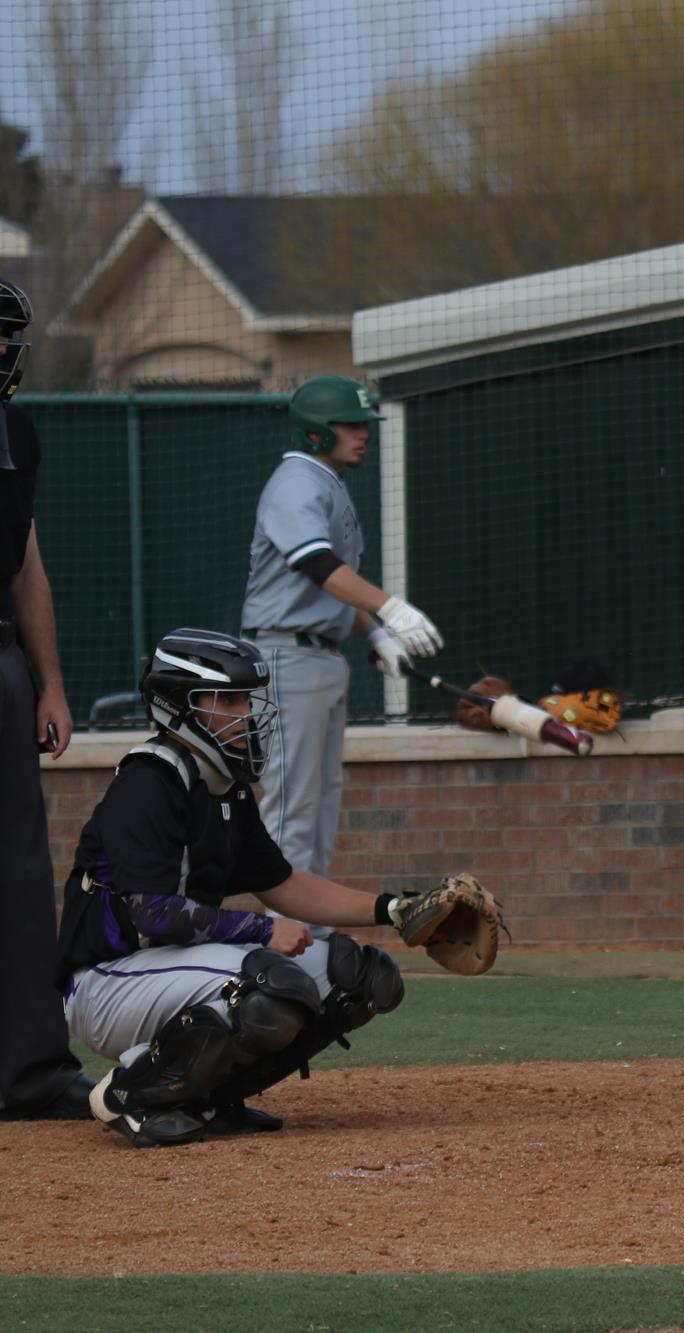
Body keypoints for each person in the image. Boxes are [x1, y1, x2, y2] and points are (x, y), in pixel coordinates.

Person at [59, 630, 413, 1147]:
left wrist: (396, 909)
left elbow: (284, 884)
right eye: (225, 699)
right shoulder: (147, 783)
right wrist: (260, 930)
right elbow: (152, 915)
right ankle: (132, 1093)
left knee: (358, 976)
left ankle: (207, 1097)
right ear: (179, 706)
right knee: (270, 986)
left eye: (244, 699)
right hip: (106, 981)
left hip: (173, 972)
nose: (243, 713)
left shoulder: (224, 786)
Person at [241, 375, 442, 878]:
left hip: (317, 657)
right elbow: (315, 564)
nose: (363, 432)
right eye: (350, 424)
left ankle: (310, 930)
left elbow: (330, 583)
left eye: (363, 423)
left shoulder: (326, 482)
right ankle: (283, 935)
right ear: (315, 431)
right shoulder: (296, 481)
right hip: (286, 657)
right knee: (292, 806)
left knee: (321, 805)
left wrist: (373, 633)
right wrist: (391, 608)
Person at [0, 278, 91, 1121]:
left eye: (6, 337)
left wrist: (49, 681)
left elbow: (26, 563)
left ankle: (28, 1073)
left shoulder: (17, 436)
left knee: (22, 872)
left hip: (2, 666)